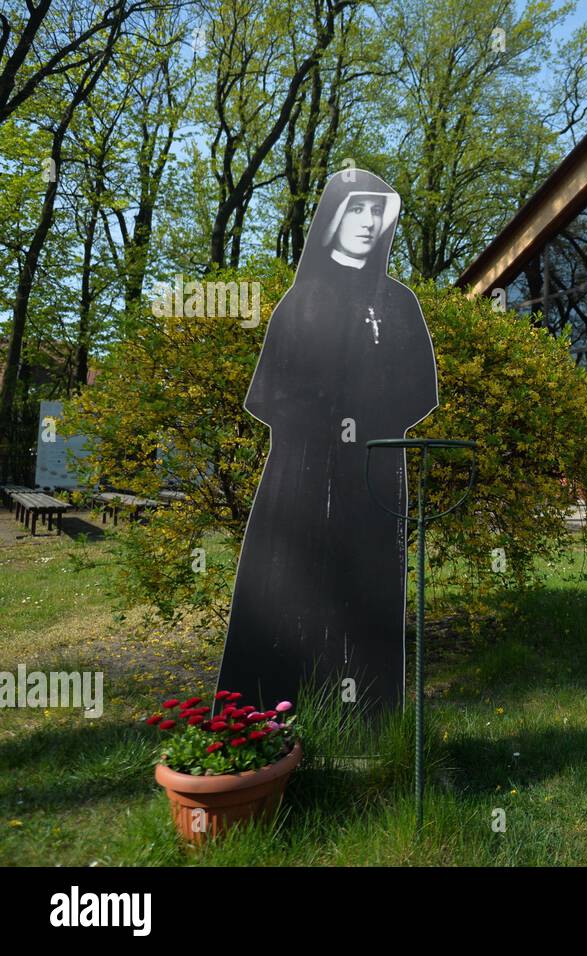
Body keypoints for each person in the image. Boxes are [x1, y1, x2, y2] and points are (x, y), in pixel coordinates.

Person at [215, 169, 439, 712]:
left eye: (377, 213)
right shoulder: (301, 302)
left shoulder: (399, 303)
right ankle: (265, 720)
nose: (366, 223)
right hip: (301, 473)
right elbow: (268, 395)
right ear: (333, 218)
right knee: (288, 585)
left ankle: (364, 723)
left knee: (367, 592)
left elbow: (420, 391)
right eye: (356, 210)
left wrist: (366, 422)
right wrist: (326, 423)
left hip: (376, 472)